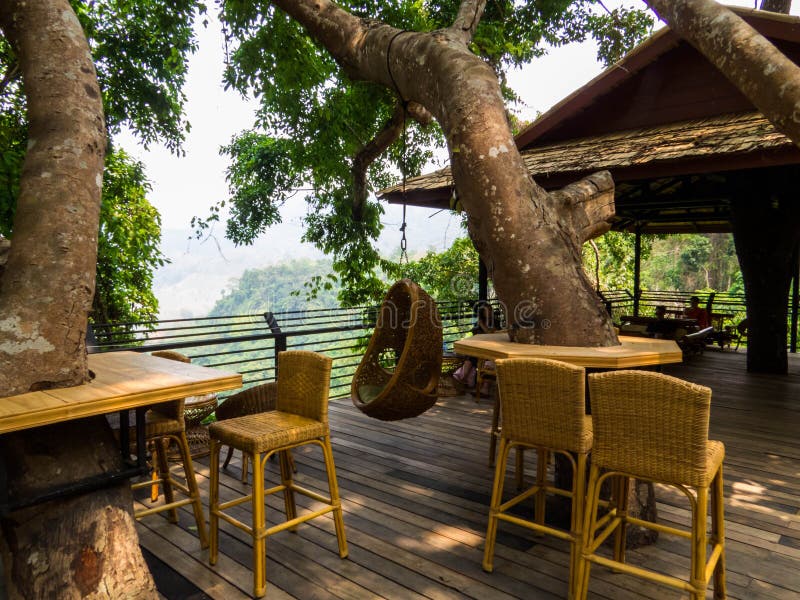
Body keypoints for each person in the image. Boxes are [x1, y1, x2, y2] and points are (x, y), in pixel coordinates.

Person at [453, 302, 497, 390]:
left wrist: (482, 326)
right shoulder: (478, 323)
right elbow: (475, 336)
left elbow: (491, 334)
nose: (489, 312)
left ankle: (464, 379)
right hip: (480, 348)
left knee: (473, 357)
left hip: (491, 348)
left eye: (490, 310)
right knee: (471, 357)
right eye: (486, 310)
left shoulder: (495, 322)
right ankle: (463, 378)